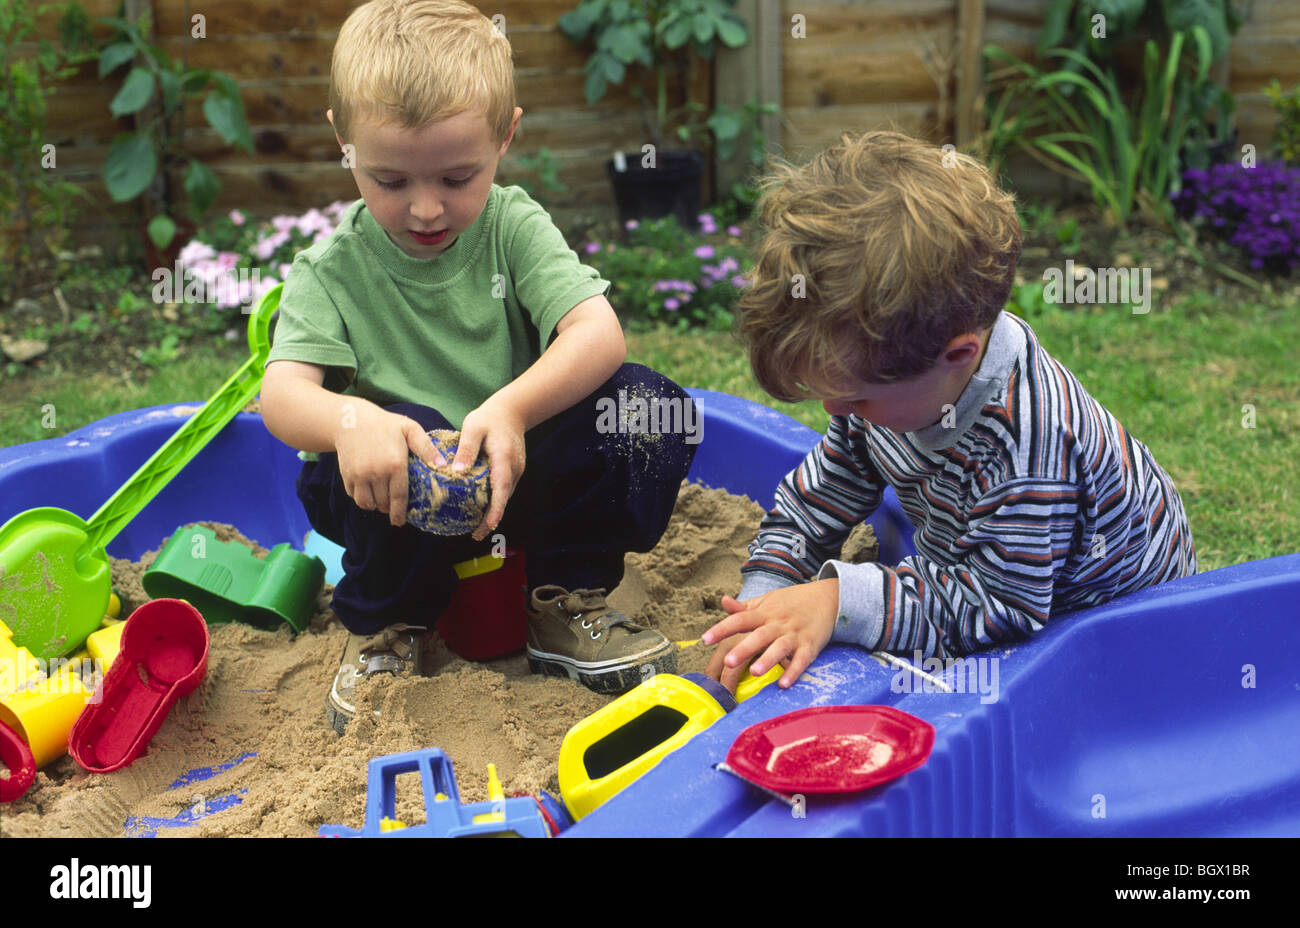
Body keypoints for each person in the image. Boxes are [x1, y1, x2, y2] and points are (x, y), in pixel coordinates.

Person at [259, 0, 697, 732]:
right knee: (405, 440)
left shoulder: (512, 227)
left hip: (518, 475)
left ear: (506, 136)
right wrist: (352, 417)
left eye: (458, 177)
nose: (426, 209)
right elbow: (280, 395)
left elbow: (597, 333)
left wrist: (511, 410)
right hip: (390, 500)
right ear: (344, 144)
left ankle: (563, 597)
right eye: (390, 180)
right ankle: (386, 628)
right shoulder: (332, 271)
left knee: (648, 408)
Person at [704, 130, 1196, 693]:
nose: (837, 411)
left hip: (1100, 623)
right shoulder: (890, 374)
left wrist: (838, 600)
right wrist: (764, 600)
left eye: (856, 397)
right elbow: (823, 493)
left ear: (957, 354)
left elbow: (998, 608)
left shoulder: (1026, 445)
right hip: (994, 571)